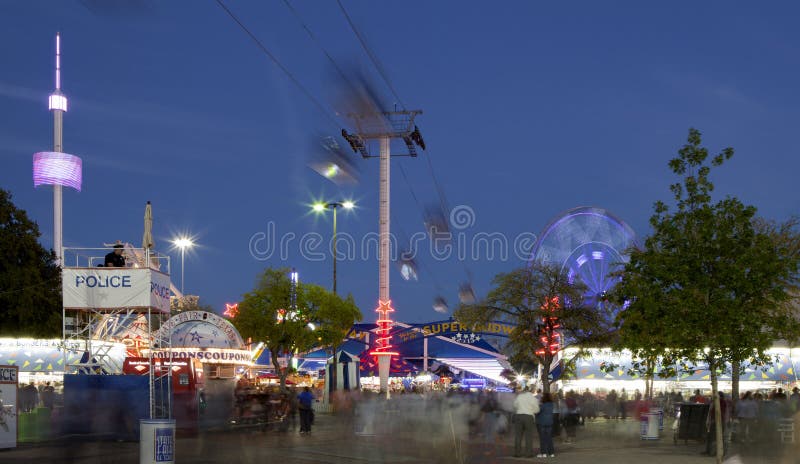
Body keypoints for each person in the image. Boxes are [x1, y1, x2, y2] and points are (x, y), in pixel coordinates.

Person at [512, 386, 540, 458]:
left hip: (519, 416)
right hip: (529, 416)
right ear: (531, 391)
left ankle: (517, 453)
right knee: (529, 436)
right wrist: (531, 410)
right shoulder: (533, 398)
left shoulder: (519, 397)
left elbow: (515, 405)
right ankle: (528, 453)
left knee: (518, 435)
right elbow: (537, 410)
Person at [537, 392, 556, 457]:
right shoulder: (552, 405)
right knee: (549, 438)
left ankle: (544, 453)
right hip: (549, 422)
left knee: (542, 438)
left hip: (541, 422)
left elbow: (537, 412)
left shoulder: (542, 405)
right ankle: (551, 453)